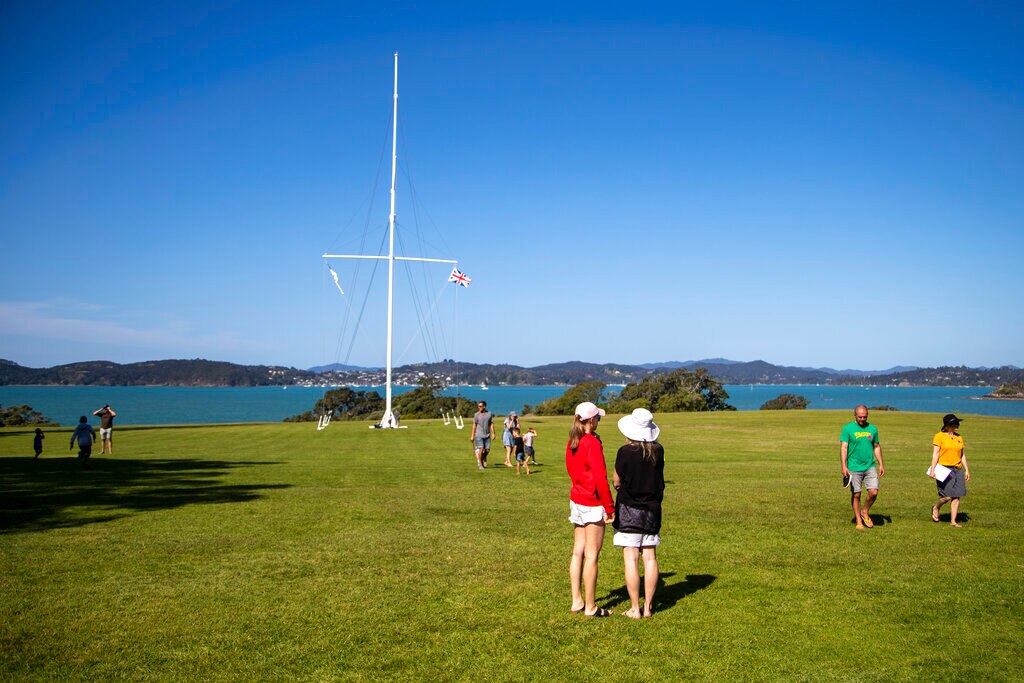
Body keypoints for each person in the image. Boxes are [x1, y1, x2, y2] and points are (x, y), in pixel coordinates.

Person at [612, 408, 665, 619]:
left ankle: (635, 608)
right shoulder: (658, 450)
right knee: (650, 557)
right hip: (652, 509)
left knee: (631, 558)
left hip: (629, 509)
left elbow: (617, 480)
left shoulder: (625, 452)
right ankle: (649, 607)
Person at [566, 401, 614, 617]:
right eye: (598, 418)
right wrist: (609, 506)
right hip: (591, 502)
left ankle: (577, 600)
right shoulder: (591, 443)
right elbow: (600, 478)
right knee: (592, 555)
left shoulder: (572, 441)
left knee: (578, 552)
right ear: (592, 420)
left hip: (576, 499)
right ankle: (591, 606)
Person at [840, 405, 885, 530]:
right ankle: (859, 521)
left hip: (870, 465)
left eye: (865, 417)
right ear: (855, 415)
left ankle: (864, 511)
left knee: (874, 491)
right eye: (860, 417)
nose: (862, 419)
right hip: (854, 467)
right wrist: (844, 466)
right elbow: (843, 447)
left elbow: (876, 446)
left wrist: (881, 463)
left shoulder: (873, 429)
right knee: (857, 494)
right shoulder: (847, 429)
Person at [929, 413, 971, 528]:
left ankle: (953, 521)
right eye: (954, 423)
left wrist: (967, 470)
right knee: (946, 496)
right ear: (947, 425)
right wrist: (932, 470)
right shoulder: (939, 436)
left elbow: (962, 455)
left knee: (957, 496)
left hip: (958, 469)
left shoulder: (959, 437)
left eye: (958, 423)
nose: (957, 425)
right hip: (943, 468)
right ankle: (936, 507)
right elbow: (935, 454)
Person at [470, 401, 495, 469]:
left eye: (480, 406)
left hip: (487, 435)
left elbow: (491, 424)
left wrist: (493, 433)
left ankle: (480, 460)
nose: (479, 408)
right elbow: (474, 425)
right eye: (478, 406)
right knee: (481, 448)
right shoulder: (476, 415)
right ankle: (480, 464)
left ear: (484, 406)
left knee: (487, 450)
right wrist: (472, 435)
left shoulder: (489, 414)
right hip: (479, 435)